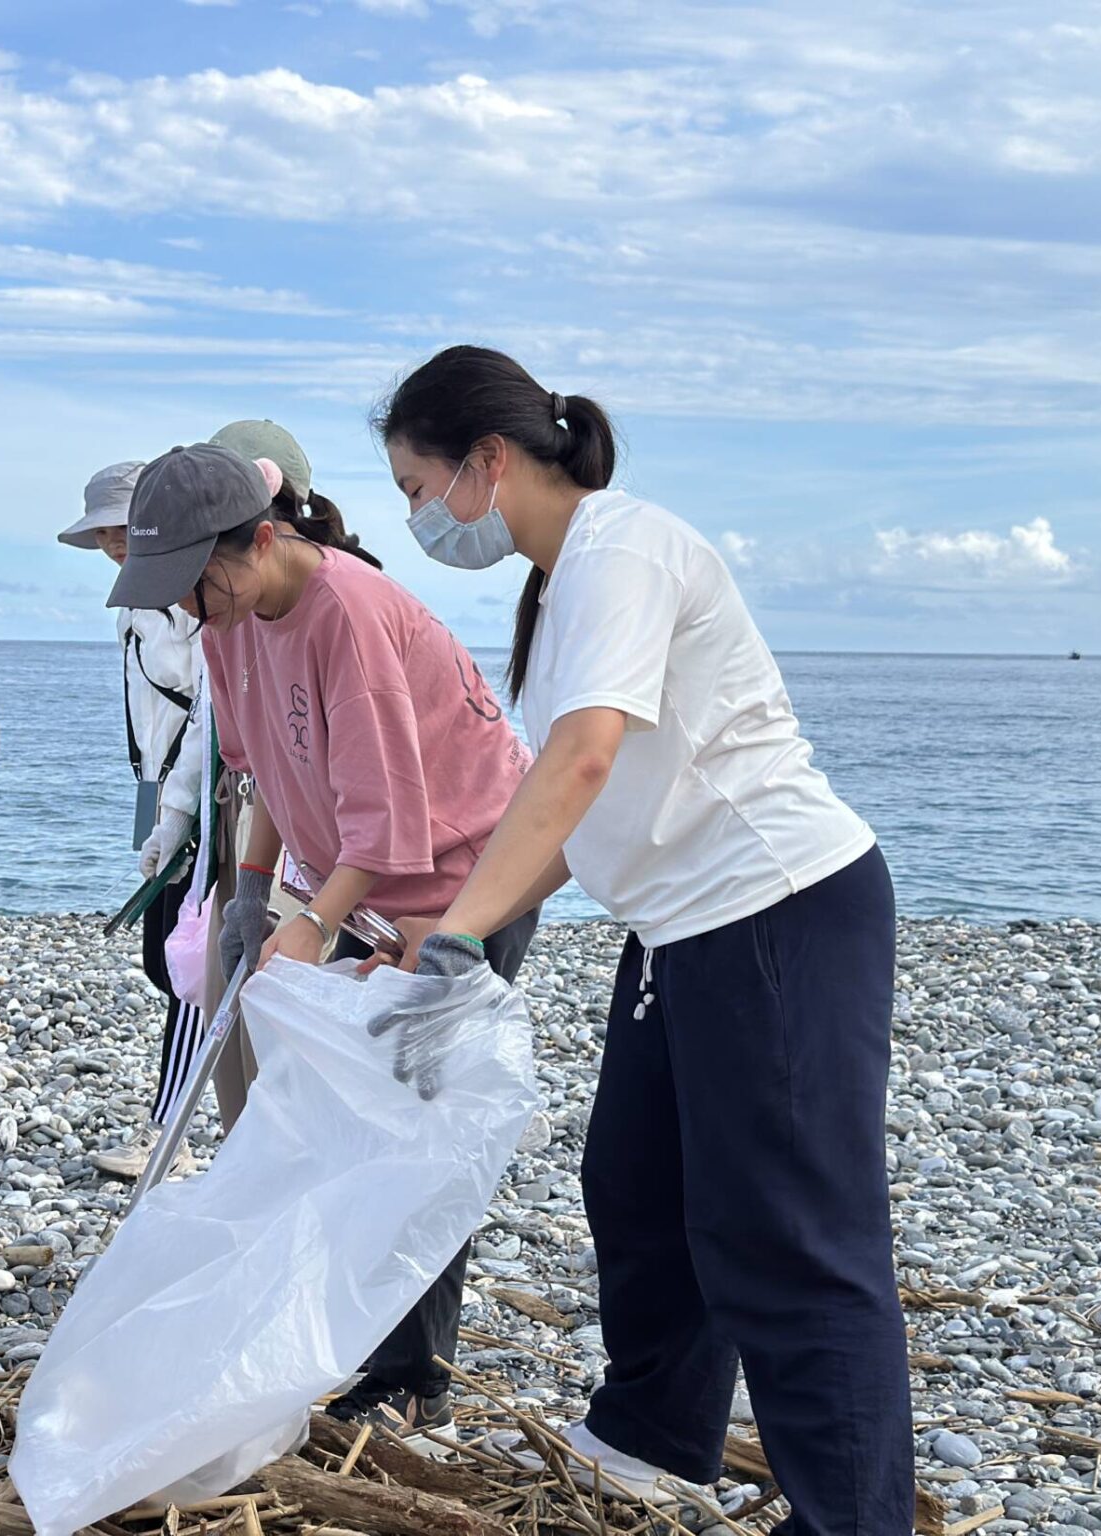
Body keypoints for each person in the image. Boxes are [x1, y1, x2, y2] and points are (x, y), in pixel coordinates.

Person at [376, 344, 908, 1528]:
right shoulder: (558, 582)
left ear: (487, 461)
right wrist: (451, 921)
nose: (418, 519)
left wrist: (461, 942)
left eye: (417, 490)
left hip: (777, 909)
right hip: (679, 929)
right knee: (637, 1185)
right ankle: (655, 1436)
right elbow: (571, 814)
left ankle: (852, 1517)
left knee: (789, 1244)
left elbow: (581, 760)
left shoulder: (624, 548)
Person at [106, 431, 536, 1445]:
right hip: (357, 876)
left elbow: (387, 818)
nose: (184, 607)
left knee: (411, 1117)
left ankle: (411, 1375)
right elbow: (255, 767)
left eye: (193, 582)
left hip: (467, 878)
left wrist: (314, 922)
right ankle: (344, 1337)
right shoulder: (230, 618)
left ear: (258, 541)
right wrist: (253, 889)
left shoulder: (343, 613)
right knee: (340, 1114)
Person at [57, 463, 210, 1179]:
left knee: (188, 966)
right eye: (105, 531)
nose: (114, 541)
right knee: (166, 961)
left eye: (123, 525)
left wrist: (180, 812)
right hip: (161, 791)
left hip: (205, 800)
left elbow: (210, 716)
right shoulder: (133, 608)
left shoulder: (193, 604)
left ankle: (169, 1133)